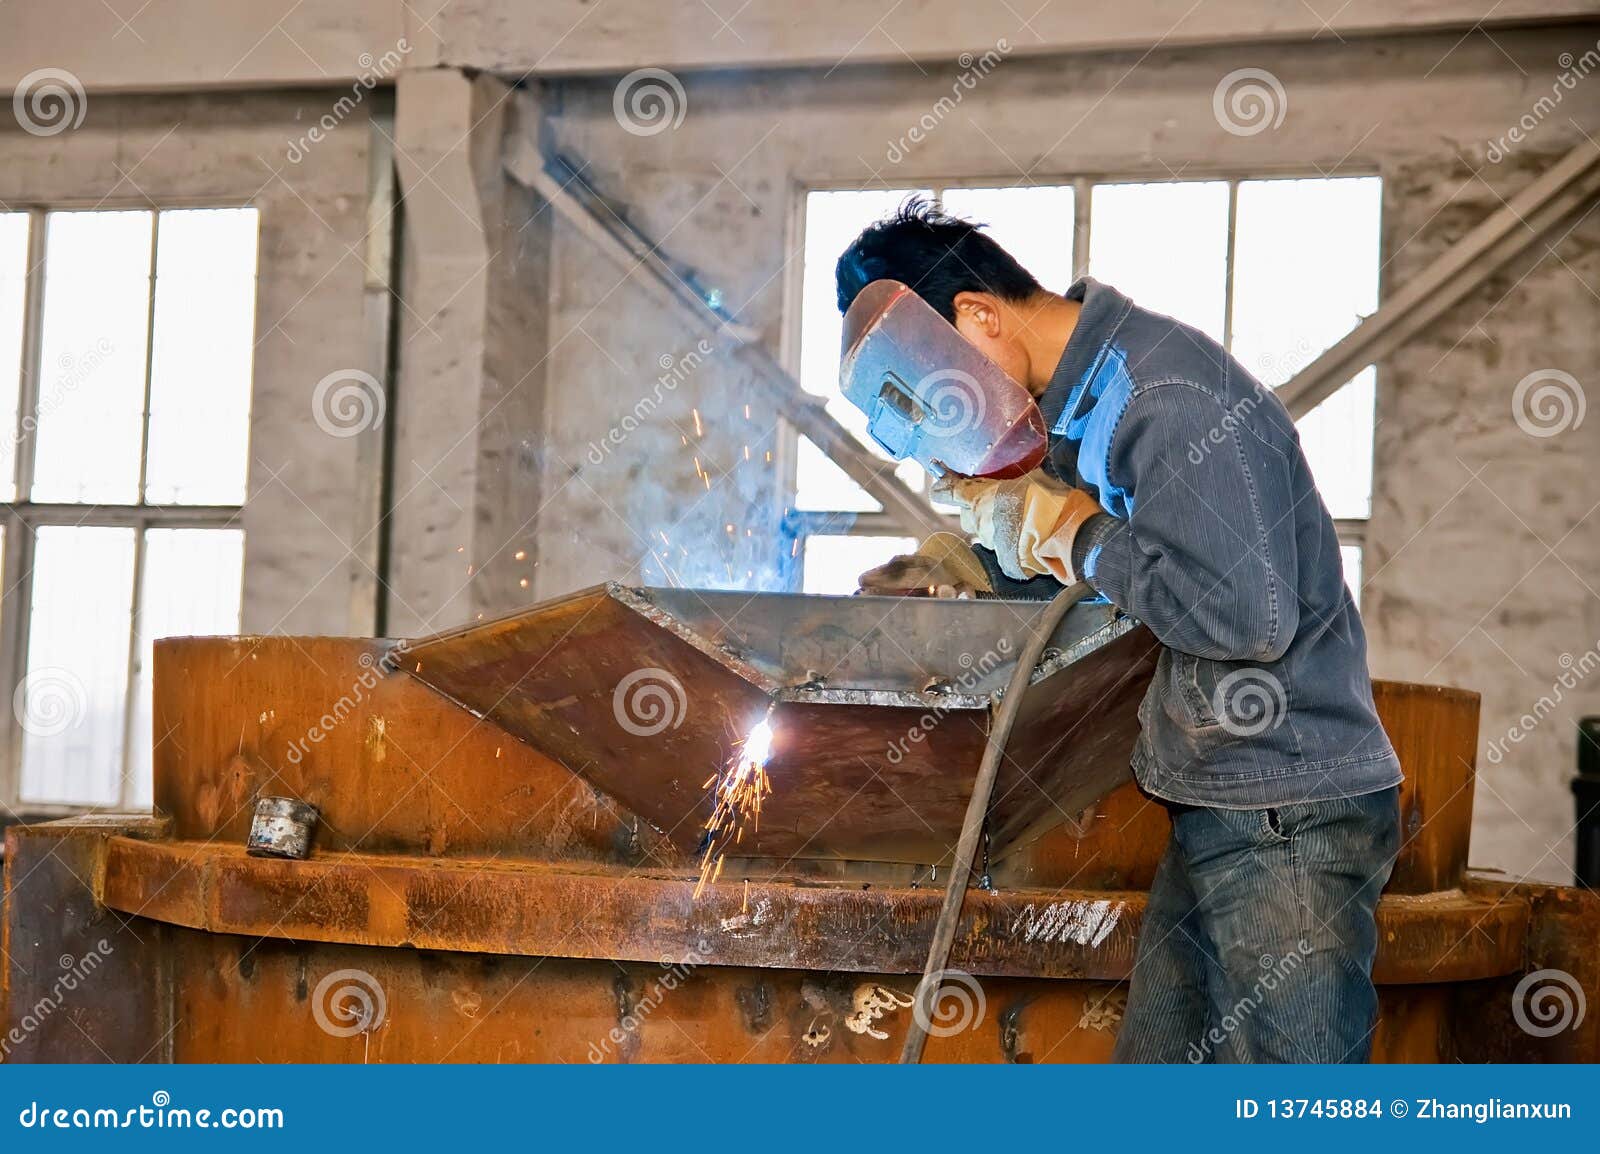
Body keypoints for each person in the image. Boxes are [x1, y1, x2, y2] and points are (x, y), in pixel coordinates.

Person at [837, 198, 1402, 1063]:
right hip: (1222, 800)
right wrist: (986, 560)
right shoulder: (1090, 406)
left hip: (1288, 809)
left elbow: (1244, 616)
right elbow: (1139, 586)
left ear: (979, 316)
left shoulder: (1163, 397)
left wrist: (1078, 535)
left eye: (935, 391)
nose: (947, 426)